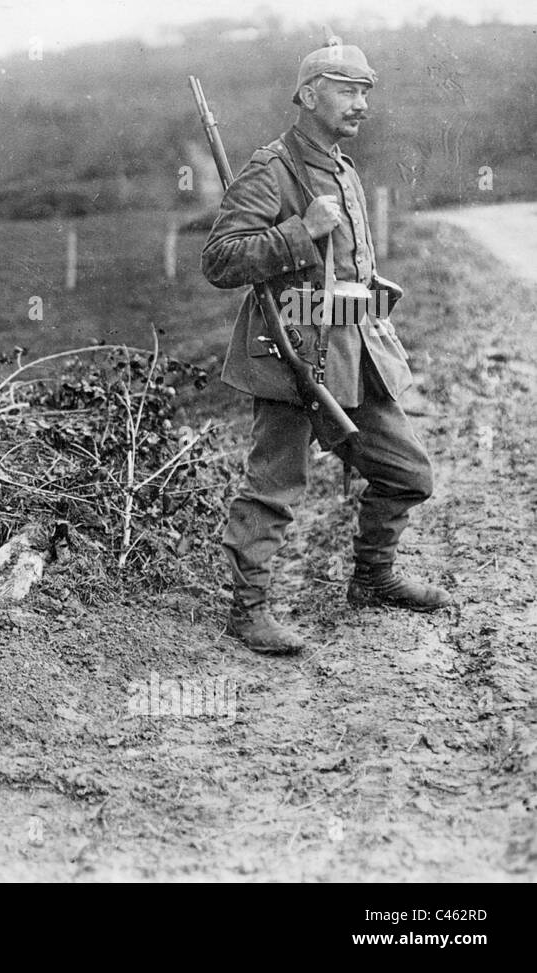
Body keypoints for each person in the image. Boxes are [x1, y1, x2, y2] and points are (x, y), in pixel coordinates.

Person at [201, 41, 452, 656]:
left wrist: (371, 287)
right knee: (275, 487)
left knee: (407, 473)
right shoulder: (272, 170)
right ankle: (248, 612)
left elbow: (344, 269)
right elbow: (219, 260)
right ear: (310, 96)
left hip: (352, 348)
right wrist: (298, 231)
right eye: (347, 89)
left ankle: (372, 580)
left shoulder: (343, 167)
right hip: (290, 354)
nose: (361, 103)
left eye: (366, 91)